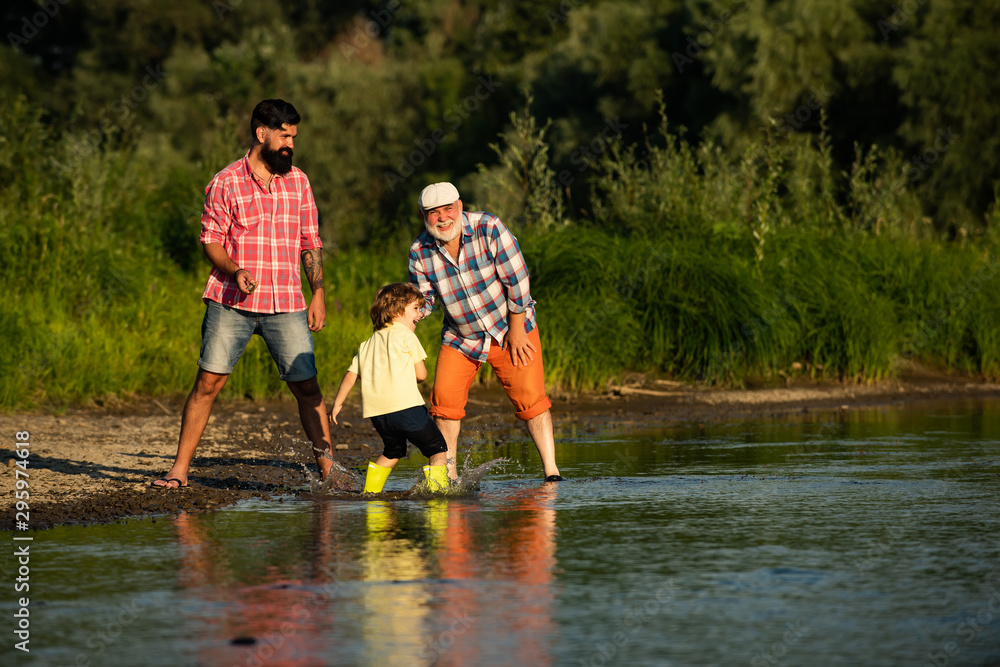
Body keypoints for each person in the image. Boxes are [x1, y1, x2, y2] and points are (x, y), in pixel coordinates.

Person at [153, 99, 334, 489]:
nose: (290, 144)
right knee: (208, 383)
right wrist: (236, 270)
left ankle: (330, 472)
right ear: (261, 134)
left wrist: (317, 291)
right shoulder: (225, 181)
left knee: (307, 386)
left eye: (293, 138)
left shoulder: (299, 181)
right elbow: (211, 241)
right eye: (284, 136)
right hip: (231, 302)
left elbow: (310, 241)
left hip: (286, 301)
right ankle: (179, 470)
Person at [408, 182, 563, 482]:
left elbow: (518, 282)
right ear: (422, 215)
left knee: (532, 401)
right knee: (443, 404)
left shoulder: (489, 227)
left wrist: (516, 331)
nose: (443, 218)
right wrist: (401, 319)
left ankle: (551, 472)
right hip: (461, 336)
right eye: (433, 213)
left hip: (509, 327)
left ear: (460, 206)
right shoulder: (419, 252)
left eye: (448, 209)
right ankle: (447, 477)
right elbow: (424, 302)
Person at [328, 283, 449, 492]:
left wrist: (337, 404)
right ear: (395, 312)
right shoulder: (406, 335)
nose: (420, 314)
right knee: (437, 449)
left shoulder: (367, 344)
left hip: (379, 415)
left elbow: (351, 375)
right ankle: (438, 496)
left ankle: (371, 492)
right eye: (416, 308)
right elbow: (422, 375)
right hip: (407, 408)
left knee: (393, 452)